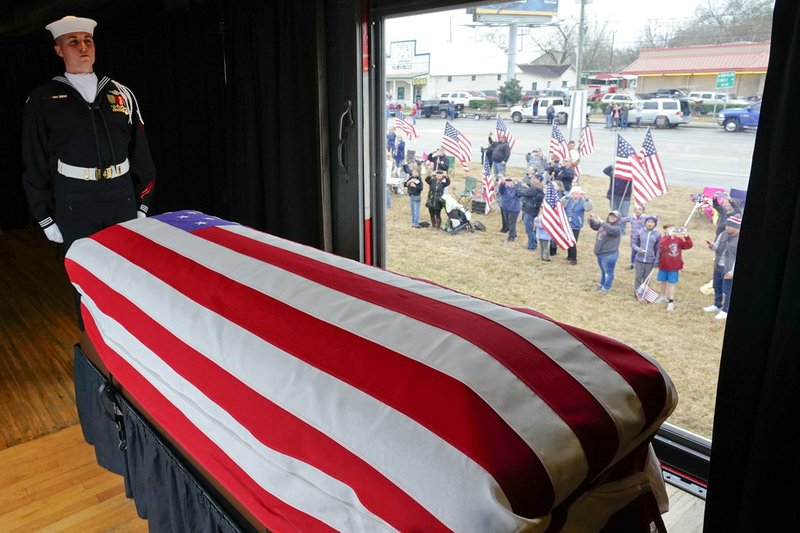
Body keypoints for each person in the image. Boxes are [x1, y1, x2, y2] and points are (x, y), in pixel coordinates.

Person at [21, 16, 157, 327]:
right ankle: (92, 347)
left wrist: (143, 202)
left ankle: (126, 343)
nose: (83, 47)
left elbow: (141, 152)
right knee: (84, 280)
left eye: (88, 40)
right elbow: (34, 159)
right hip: (76, 201)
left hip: (121, 197)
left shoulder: (121, 93)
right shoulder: (43, 99)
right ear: (59, 50)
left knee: (126, 275)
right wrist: (43, 215)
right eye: (73, 42)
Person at [703, 214, 741, 320]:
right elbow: (717, 246)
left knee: (727, 290)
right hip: (718, 265)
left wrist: (732, 272)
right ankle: (717, 305)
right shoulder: (723, 234)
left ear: (737, 228)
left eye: (730, 226)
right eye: (727, 225)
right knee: (716, 286)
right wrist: (712, 246)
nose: (727, 228)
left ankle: (726, 310)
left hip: (729, 269)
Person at [655, 223, 694, 312]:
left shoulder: (678, 240)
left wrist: (686, 235)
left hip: (674, 266)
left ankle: (671, 301)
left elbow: (688, 245)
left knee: (672, 283)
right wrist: (669, 236)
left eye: (673, 228)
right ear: (665, 230)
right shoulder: (663, 239)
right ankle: (662, 296)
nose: (671, 230)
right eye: (669, 229)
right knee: (663, 281)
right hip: (664, 264)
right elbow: (661, 246)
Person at [588, 210, 623, 293]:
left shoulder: (617, 228)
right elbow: (595, 226)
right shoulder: (605, 224)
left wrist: (602, 222)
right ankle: (601, 284)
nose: (612, 218)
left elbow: (611, 230)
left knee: (608, 272)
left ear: (618, 219)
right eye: (611, 215)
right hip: (600, 253)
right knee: (603, 270)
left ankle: (606, 288)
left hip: (609, 254)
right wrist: (591, 220)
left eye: (614, 217)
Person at [561, 186, 593, 265]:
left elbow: (588, 208)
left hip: (576, 224)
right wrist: (567, 196)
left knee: (573, 241)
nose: (576, 195)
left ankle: (574, 259)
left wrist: (586, 198)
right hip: (567, 223)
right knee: (568, 240)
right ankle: (569, 255)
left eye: (578, 193)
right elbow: (561, 204)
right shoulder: (568, 199)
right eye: (574, 193)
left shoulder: (583, 201)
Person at [631, 215, 661, 297]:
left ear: (655, 224)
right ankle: (637, 293)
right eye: (648, 222)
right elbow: (633, 243)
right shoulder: (639, 232)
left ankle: (644, 293)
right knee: (638, 277)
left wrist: (657, 260)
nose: (650, 224)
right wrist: (637, 249)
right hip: (639, 259)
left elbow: (658, 249)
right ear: (645, 223)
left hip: (650, 260)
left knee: (647, 278)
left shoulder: (657, 235)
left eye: (652, 222)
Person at [518, 175, 544, 251]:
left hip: (530, 210)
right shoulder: (538, 188)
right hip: (531, 209)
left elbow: (523, 193)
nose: (532, 180)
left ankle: (532, 245)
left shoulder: (535, 189)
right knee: (531, 228)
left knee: (530, 228)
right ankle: (532, 243)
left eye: (534, 179)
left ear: (538, 180)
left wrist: (520, 187)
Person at [498, 176, 521, 242]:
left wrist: (517, 184)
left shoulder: (517, 189)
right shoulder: (505, 188)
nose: (511, 184)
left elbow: (520, 193)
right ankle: (514, 235)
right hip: (505, 208)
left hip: (514, 209)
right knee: (508, 223)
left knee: (512, 224)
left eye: (512, 182)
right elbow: (501, 190)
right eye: (510, 182)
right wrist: (502, 183)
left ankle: (511, 238)